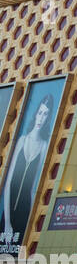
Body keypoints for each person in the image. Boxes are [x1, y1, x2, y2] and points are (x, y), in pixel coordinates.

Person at [2, 91, 56, 250]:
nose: (41, 118)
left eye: (45, 114)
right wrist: (7, 222)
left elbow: (33, 188)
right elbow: (9, 183)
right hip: (8, 211)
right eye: (40, 112)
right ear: (36, 113)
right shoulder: (22, 140)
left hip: (25, 212)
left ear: (48, 118)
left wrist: (32, 221)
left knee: (19, 254)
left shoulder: (44, 146)